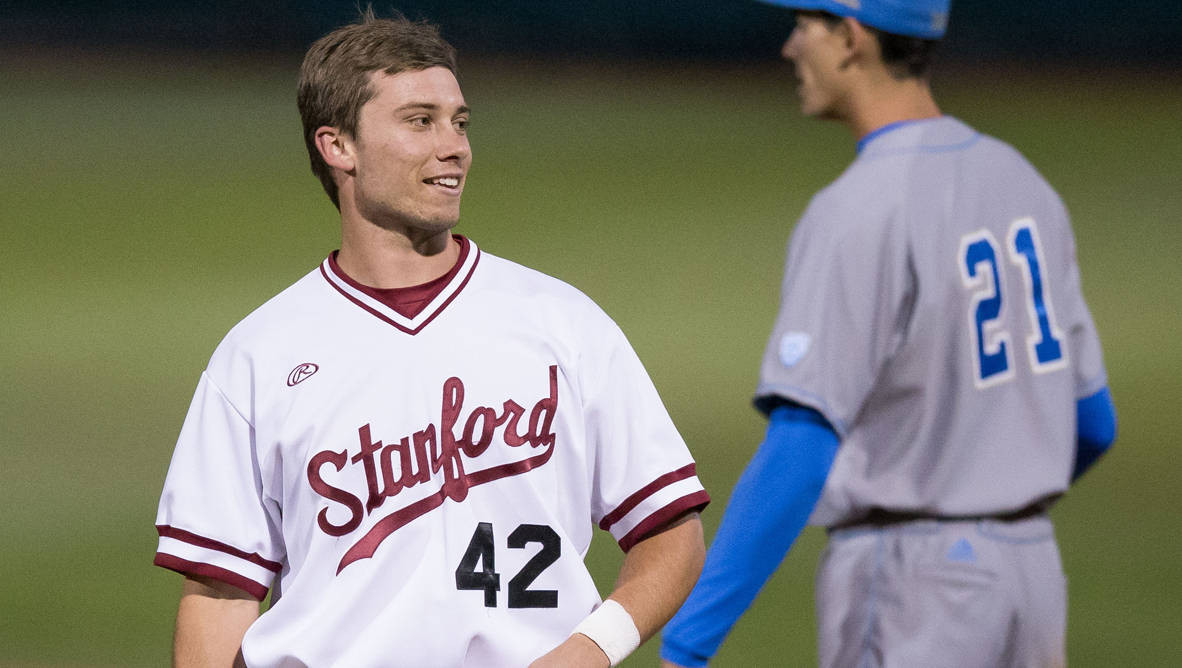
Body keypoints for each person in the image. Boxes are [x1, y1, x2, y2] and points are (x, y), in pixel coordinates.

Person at [152, 11, 709, 668]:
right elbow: (219, 592)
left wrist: (593, 648)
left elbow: (671, 531)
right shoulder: (259, 356)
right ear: (338, 147)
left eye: (460, 122)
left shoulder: (563, 324)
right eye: (421, 121)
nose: (455, 147)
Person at [660, 0, 1117, 666]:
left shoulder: (861, 207)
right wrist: (994, 503)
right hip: (1034, 576)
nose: (791, 47)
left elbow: (802, 446)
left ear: (851, 39)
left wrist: (688, 639)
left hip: (917, 586)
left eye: (805, 26)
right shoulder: (1024, 183)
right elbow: (1094, 422)